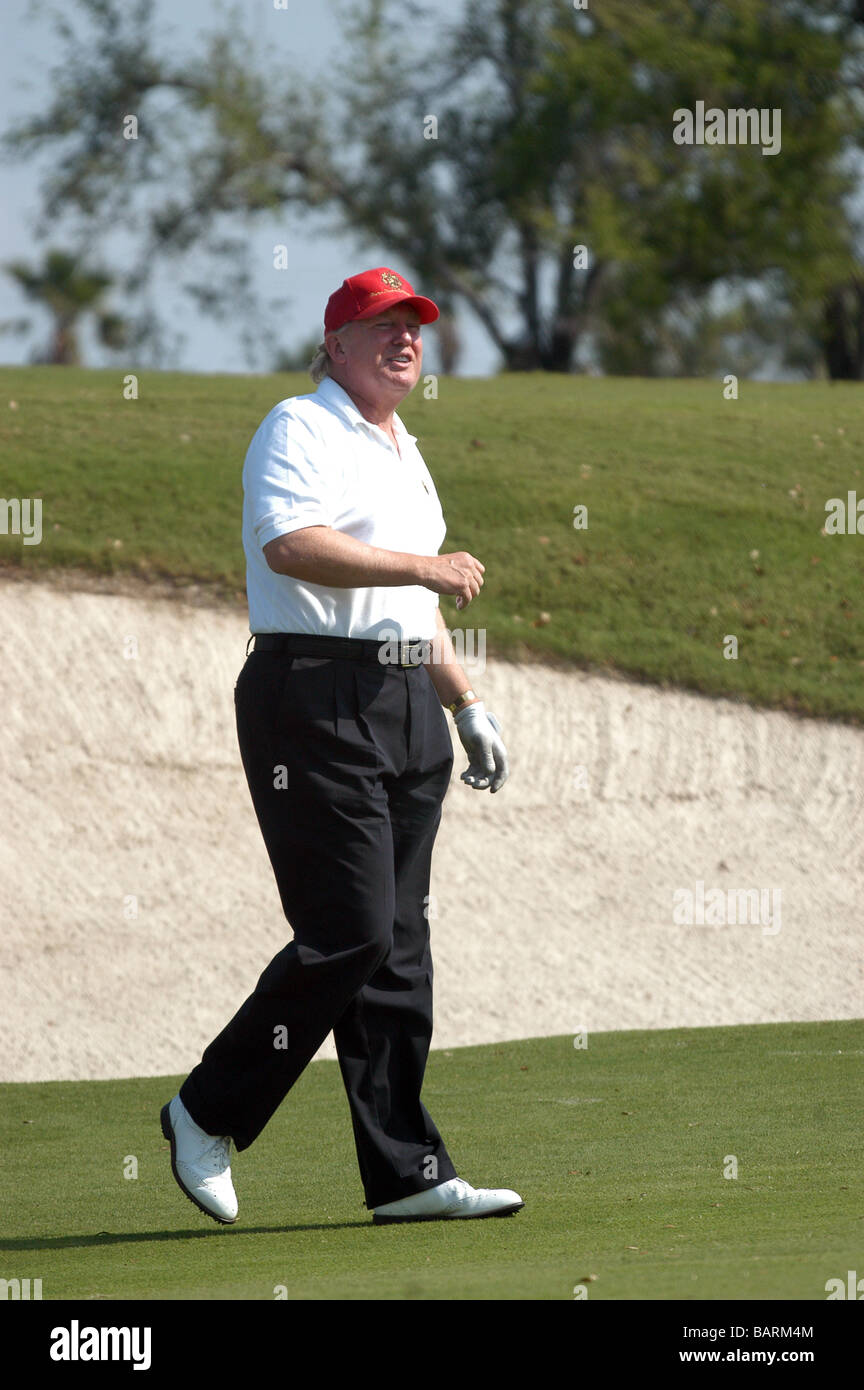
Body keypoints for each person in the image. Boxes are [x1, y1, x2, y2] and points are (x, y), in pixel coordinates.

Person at [161, 266, 523, 1225]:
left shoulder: (406, 451)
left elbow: (413, 606)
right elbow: (292, 544)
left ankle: (407, 1173)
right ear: (335, 344)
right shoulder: (301, 425)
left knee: (400, 945)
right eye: (381, 325)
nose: (405, 339)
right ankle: (205, 1110)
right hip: (310, 693)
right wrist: (424, 565)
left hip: (405, 697)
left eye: (415, 326)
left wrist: (464, 703)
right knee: (352, 929)